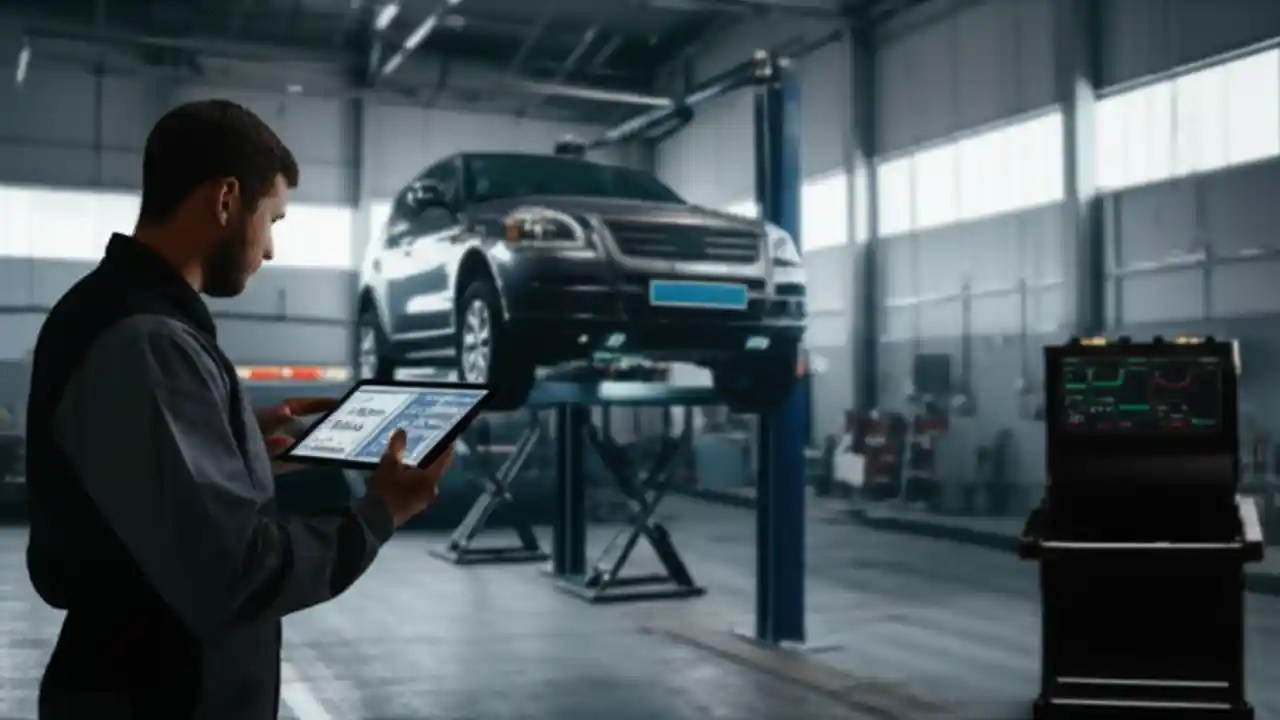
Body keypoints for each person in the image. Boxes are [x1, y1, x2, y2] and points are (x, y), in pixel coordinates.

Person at [23, 99, 453, 719]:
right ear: (226, 201)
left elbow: (130, 481)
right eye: (273, 218)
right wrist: (380, 512)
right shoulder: (150, 340)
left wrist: (241, 443)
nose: (271, 249)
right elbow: (235, 573)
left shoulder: (114, 311)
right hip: (160, 693)